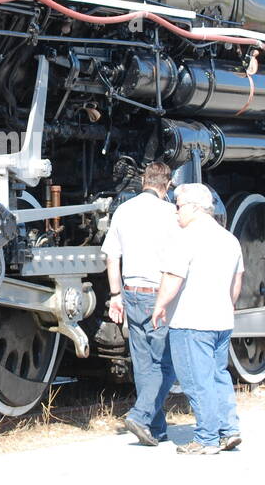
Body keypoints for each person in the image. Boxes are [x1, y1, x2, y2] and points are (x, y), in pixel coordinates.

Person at [151, 182, 244, 456]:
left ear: (193, 208)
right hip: (221, 320)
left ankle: (206, 439)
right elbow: (236, 284)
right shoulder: (229, 239)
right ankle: (229, 430)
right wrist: (227, 306)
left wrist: (159, 306)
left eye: (178, 207)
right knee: (219, 377)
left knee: (196, 380)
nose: (176, 213)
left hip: (191, 321)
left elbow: (173, 277)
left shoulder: (186, 237)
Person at [102, 161, 178, 447]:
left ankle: (156, 428)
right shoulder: (171, 213)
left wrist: (115, 295)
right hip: (158, 295)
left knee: (144, 364)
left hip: (131, 292)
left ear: (144, 181)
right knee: (167, 364)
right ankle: (141, 414)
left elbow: (112, 256)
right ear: (167, 185)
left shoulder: (123, 210)